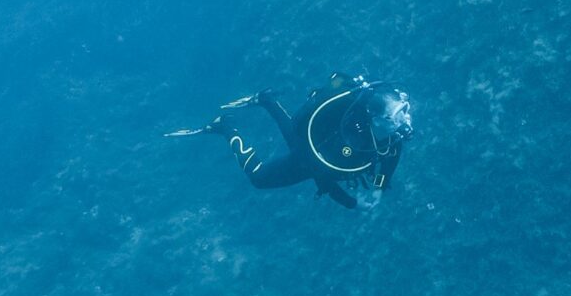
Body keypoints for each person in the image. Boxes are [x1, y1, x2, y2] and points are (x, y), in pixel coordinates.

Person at [170, 72, 413, 208]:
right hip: (311, 157)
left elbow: (390, 160)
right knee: (259, 179)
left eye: (404, 109)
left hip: (314, 151)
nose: (405, 119)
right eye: (397, 114)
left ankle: (267, 99)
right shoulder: (349, 140)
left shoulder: (391, 134)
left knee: (293, 136)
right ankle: (225, 127)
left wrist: (379, 189)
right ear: (376, 118)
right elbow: (324, 177)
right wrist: (351, 202)